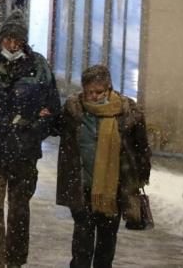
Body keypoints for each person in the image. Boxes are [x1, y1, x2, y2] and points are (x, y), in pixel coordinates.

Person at [0, 11, 61, 268]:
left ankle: (15, 261)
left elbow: (52, 109)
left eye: (17, 40)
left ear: (24, 42)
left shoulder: (39, 67)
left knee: (19, 211)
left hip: (24, 153)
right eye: (8, 39)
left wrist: (34, 131)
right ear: (1, 39)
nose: (12, 45)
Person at [56, 64, 152, 268]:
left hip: (114, 191)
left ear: (109, 88)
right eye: (88, 91)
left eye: (98, 91)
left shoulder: (128, 112)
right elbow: (58, 132)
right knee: (82, 245)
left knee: (106, 246)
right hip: (82, 188)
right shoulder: (74, 110)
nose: (93, 96)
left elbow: (141, 147)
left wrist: (139, 177)